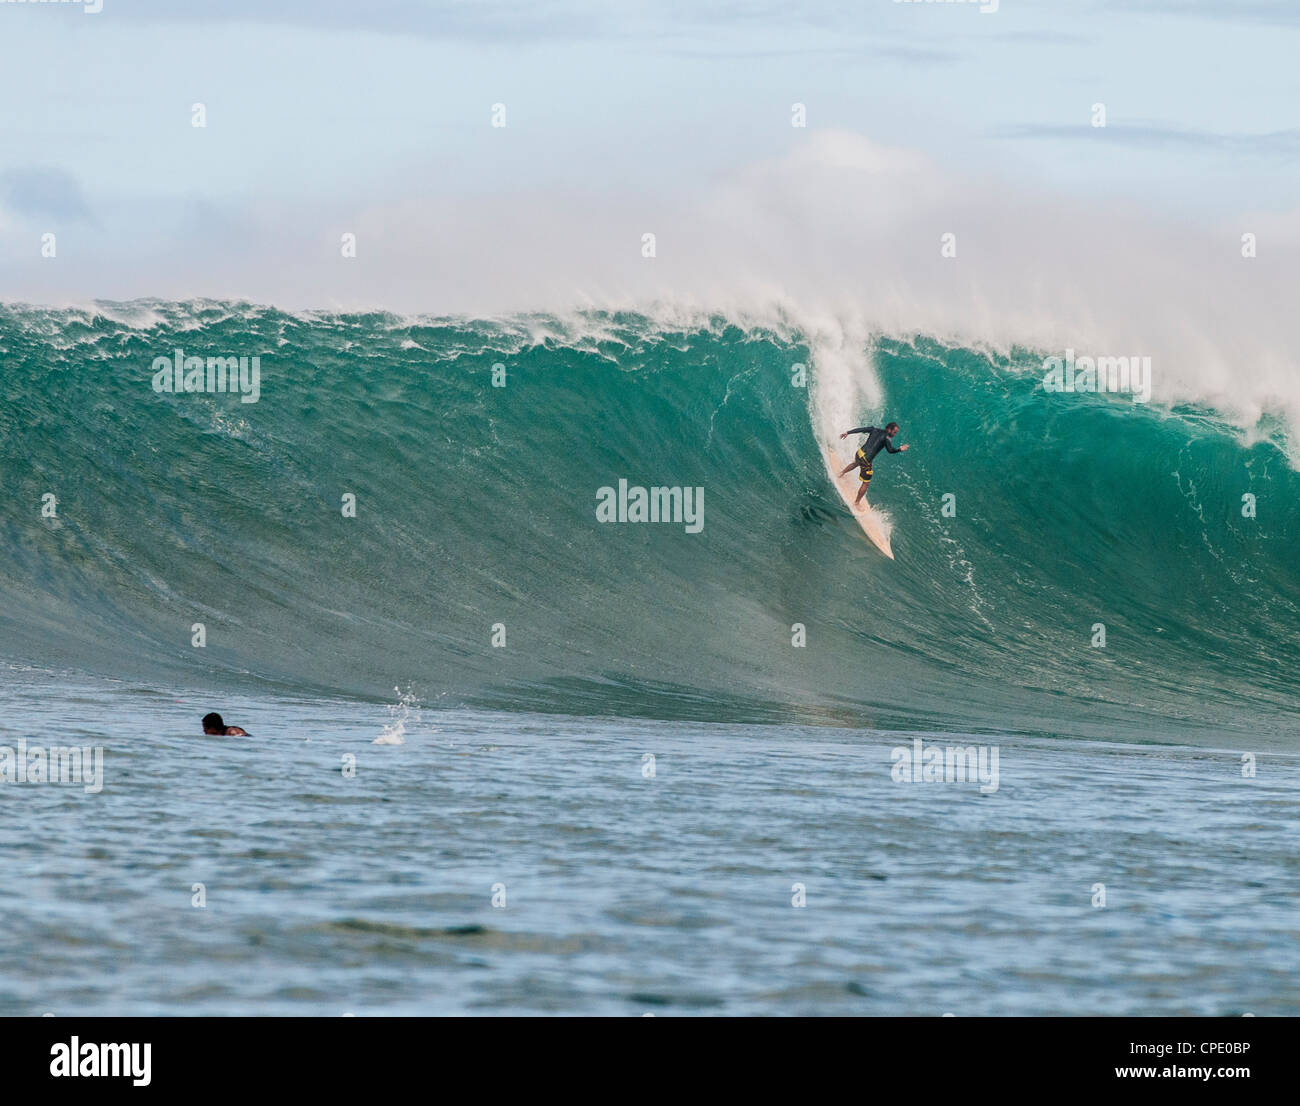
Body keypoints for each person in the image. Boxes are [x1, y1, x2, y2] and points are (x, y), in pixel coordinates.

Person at [839, 421, 909, 505]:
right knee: (866, 483)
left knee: (856, 463)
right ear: (889, 429)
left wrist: (848, 432)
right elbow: (890, 450)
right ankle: (856, 502)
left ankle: (841, 473)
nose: (895, 434)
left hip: (859, 453)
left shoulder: (874, 429)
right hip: (866, 460)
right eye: (894, 432)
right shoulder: (887, 438)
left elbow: (862, 429)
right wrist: (900, 449)